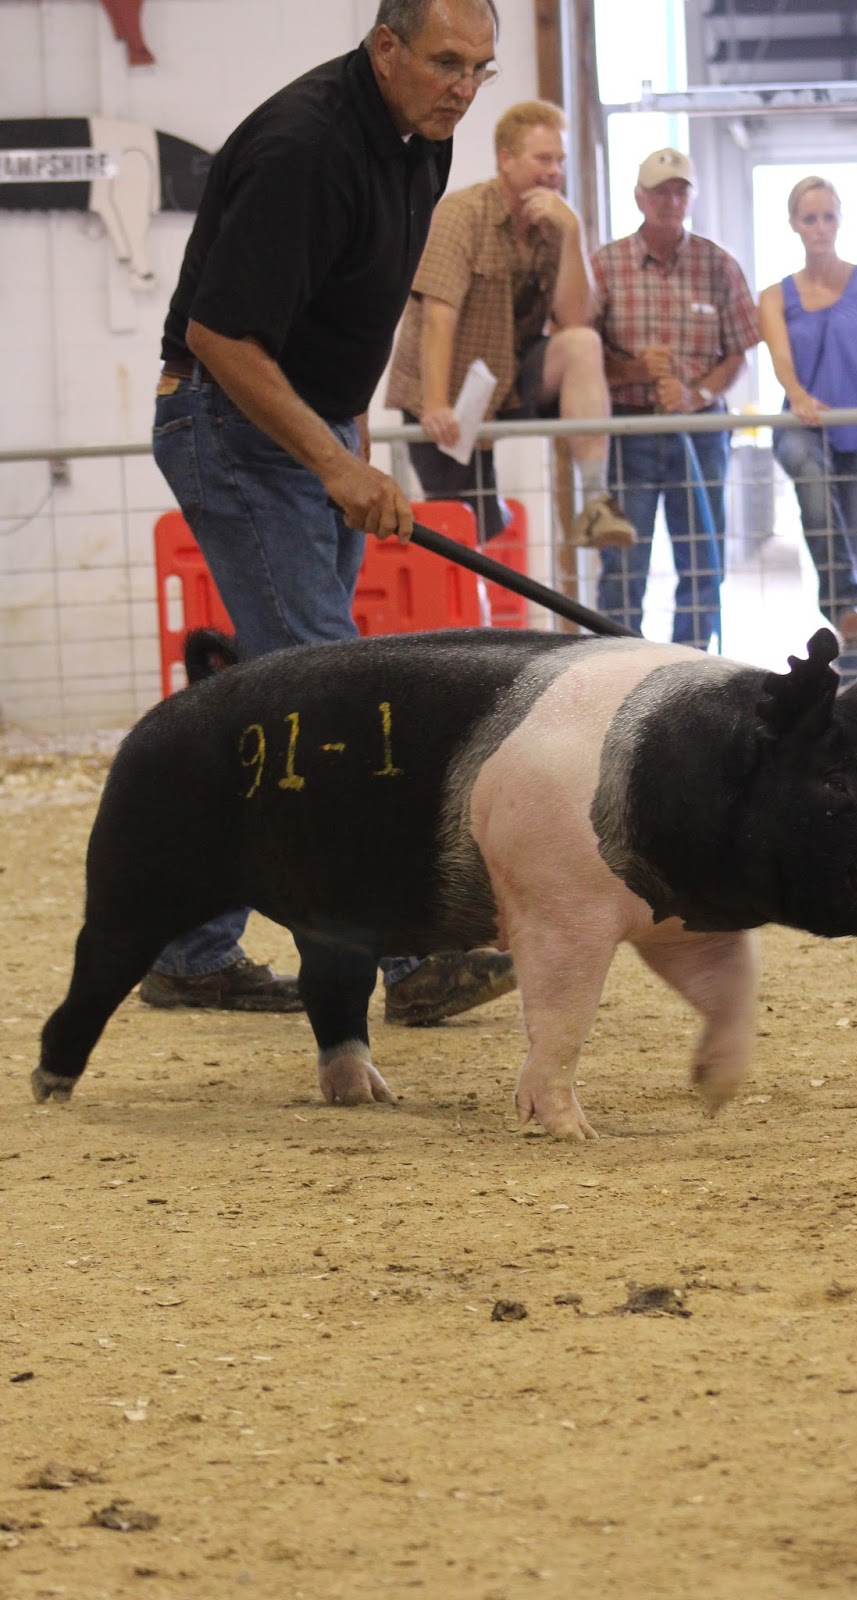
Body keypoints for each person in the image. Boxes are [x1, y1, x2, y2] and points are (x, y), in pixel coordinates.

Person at [145, 0, 516, 1026]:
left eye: (480, 68)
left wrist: (350, 443)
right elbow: (223, 333)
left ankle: (185, 948)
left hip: (310, 439)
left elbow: (345, 311)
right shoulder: (305, 147)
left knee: (278, 701)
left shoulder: (419, 140)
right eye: (446, 61)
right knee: (334, 699)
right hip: (232, 433)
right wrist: (329, 459)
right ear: (384, 45)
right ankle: (406, 956)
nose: (463, 85)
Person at [386, 99, 636, 549]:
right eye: (543, 158)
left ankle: (596, 501)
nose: (554, 171)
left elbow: (575, 319)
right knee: (464, 531)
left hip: (509, 375)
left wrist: (574, 232)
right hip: (447, 388)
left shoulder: (555, 224)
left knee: (582, 343)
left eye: (560, 160)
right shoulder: (462, 215)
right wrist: (436, 404)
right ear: (506, 159)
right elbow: (438, 317)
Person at [591, 147, 759, 650]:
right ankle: (618, 668)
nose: (670, 200)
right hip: (628, 430)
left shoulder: (719, 264)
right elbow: (580, 351)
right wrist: (634, 371)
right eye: (660, 191)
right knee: (623, 564)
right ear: (640, 198)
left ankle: (694, 670)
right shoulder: (606, 265)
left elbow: (739, 353)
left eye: (679, 190)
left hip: (700, 431)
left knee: (703, 558)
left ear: (690, 198)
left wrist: (697, 393)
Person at [759, 175, 857, 683]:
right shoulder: (775, 297)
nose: (820, 227)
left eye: (828, 217)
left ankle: (850, 690)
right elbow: (781, 360)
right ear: (793, 225)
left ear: (840, 220)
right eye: (810, 218)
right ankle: (848, 610)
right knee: (814, 489)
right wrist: (800, 397)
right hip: (804, 424)